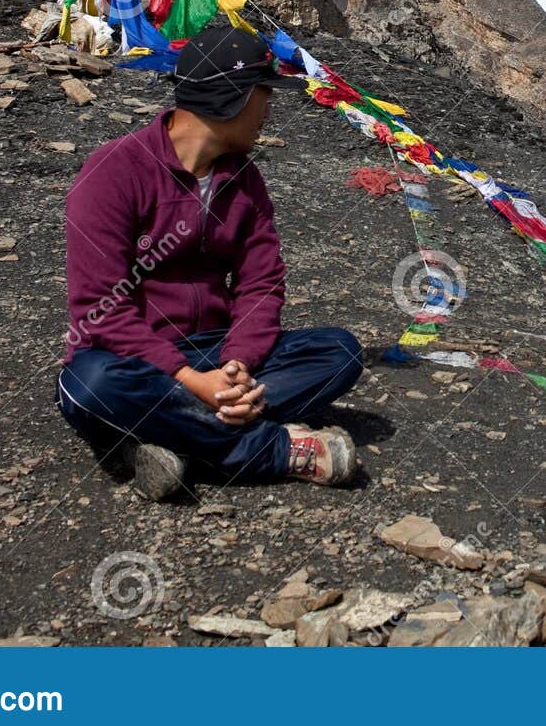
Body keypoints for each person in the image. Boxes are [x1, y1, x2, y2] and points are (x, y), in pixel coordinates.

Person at [56, 25, 363, 500]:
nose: (267, 111)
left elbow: (261, 281)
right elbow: (101, 308)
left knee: (338, 352)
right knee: (86, 385)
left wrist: (236, 366)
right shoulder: (113, 172)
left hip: (215, 350)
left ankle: (170, 437)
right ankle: (274, 449)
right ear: (234, 98)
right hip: (136, 360)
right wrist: (190, 380)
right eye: (264, 95)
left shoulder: (244, 180)